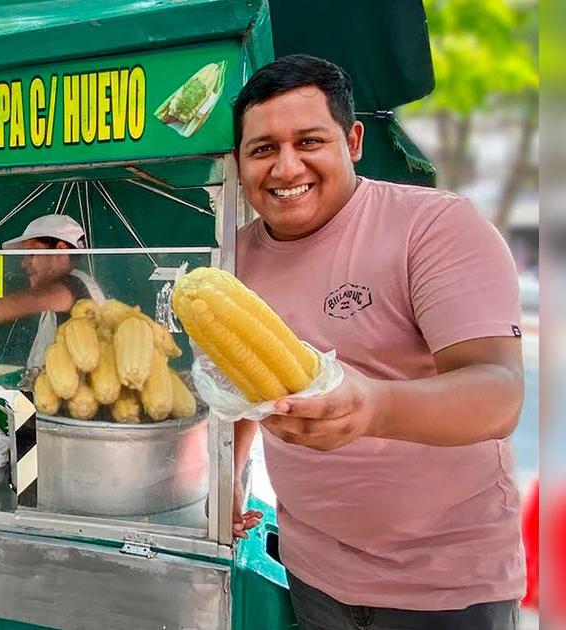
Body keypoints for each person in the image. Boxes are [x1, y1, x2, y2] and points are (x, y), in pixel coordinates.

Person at [230, 55, 525, 629]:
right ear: (240, 162)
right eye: (263, 149)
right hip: (311, 571)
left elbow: (499, 392)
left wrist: (372, 406)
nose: (286, 167)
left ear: (354, 139)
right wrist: (233, 479)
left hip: (445, 587)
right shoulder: (234, 257)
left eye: (309, 141)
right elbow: (244, 385)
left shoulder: (433, 227)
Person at [0, 214, 104, 367]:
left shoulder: (73, 285)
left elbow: (33, 299)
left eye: (32, 254)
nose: (24, 263)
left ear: (61, 250)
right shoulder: (58, 293)